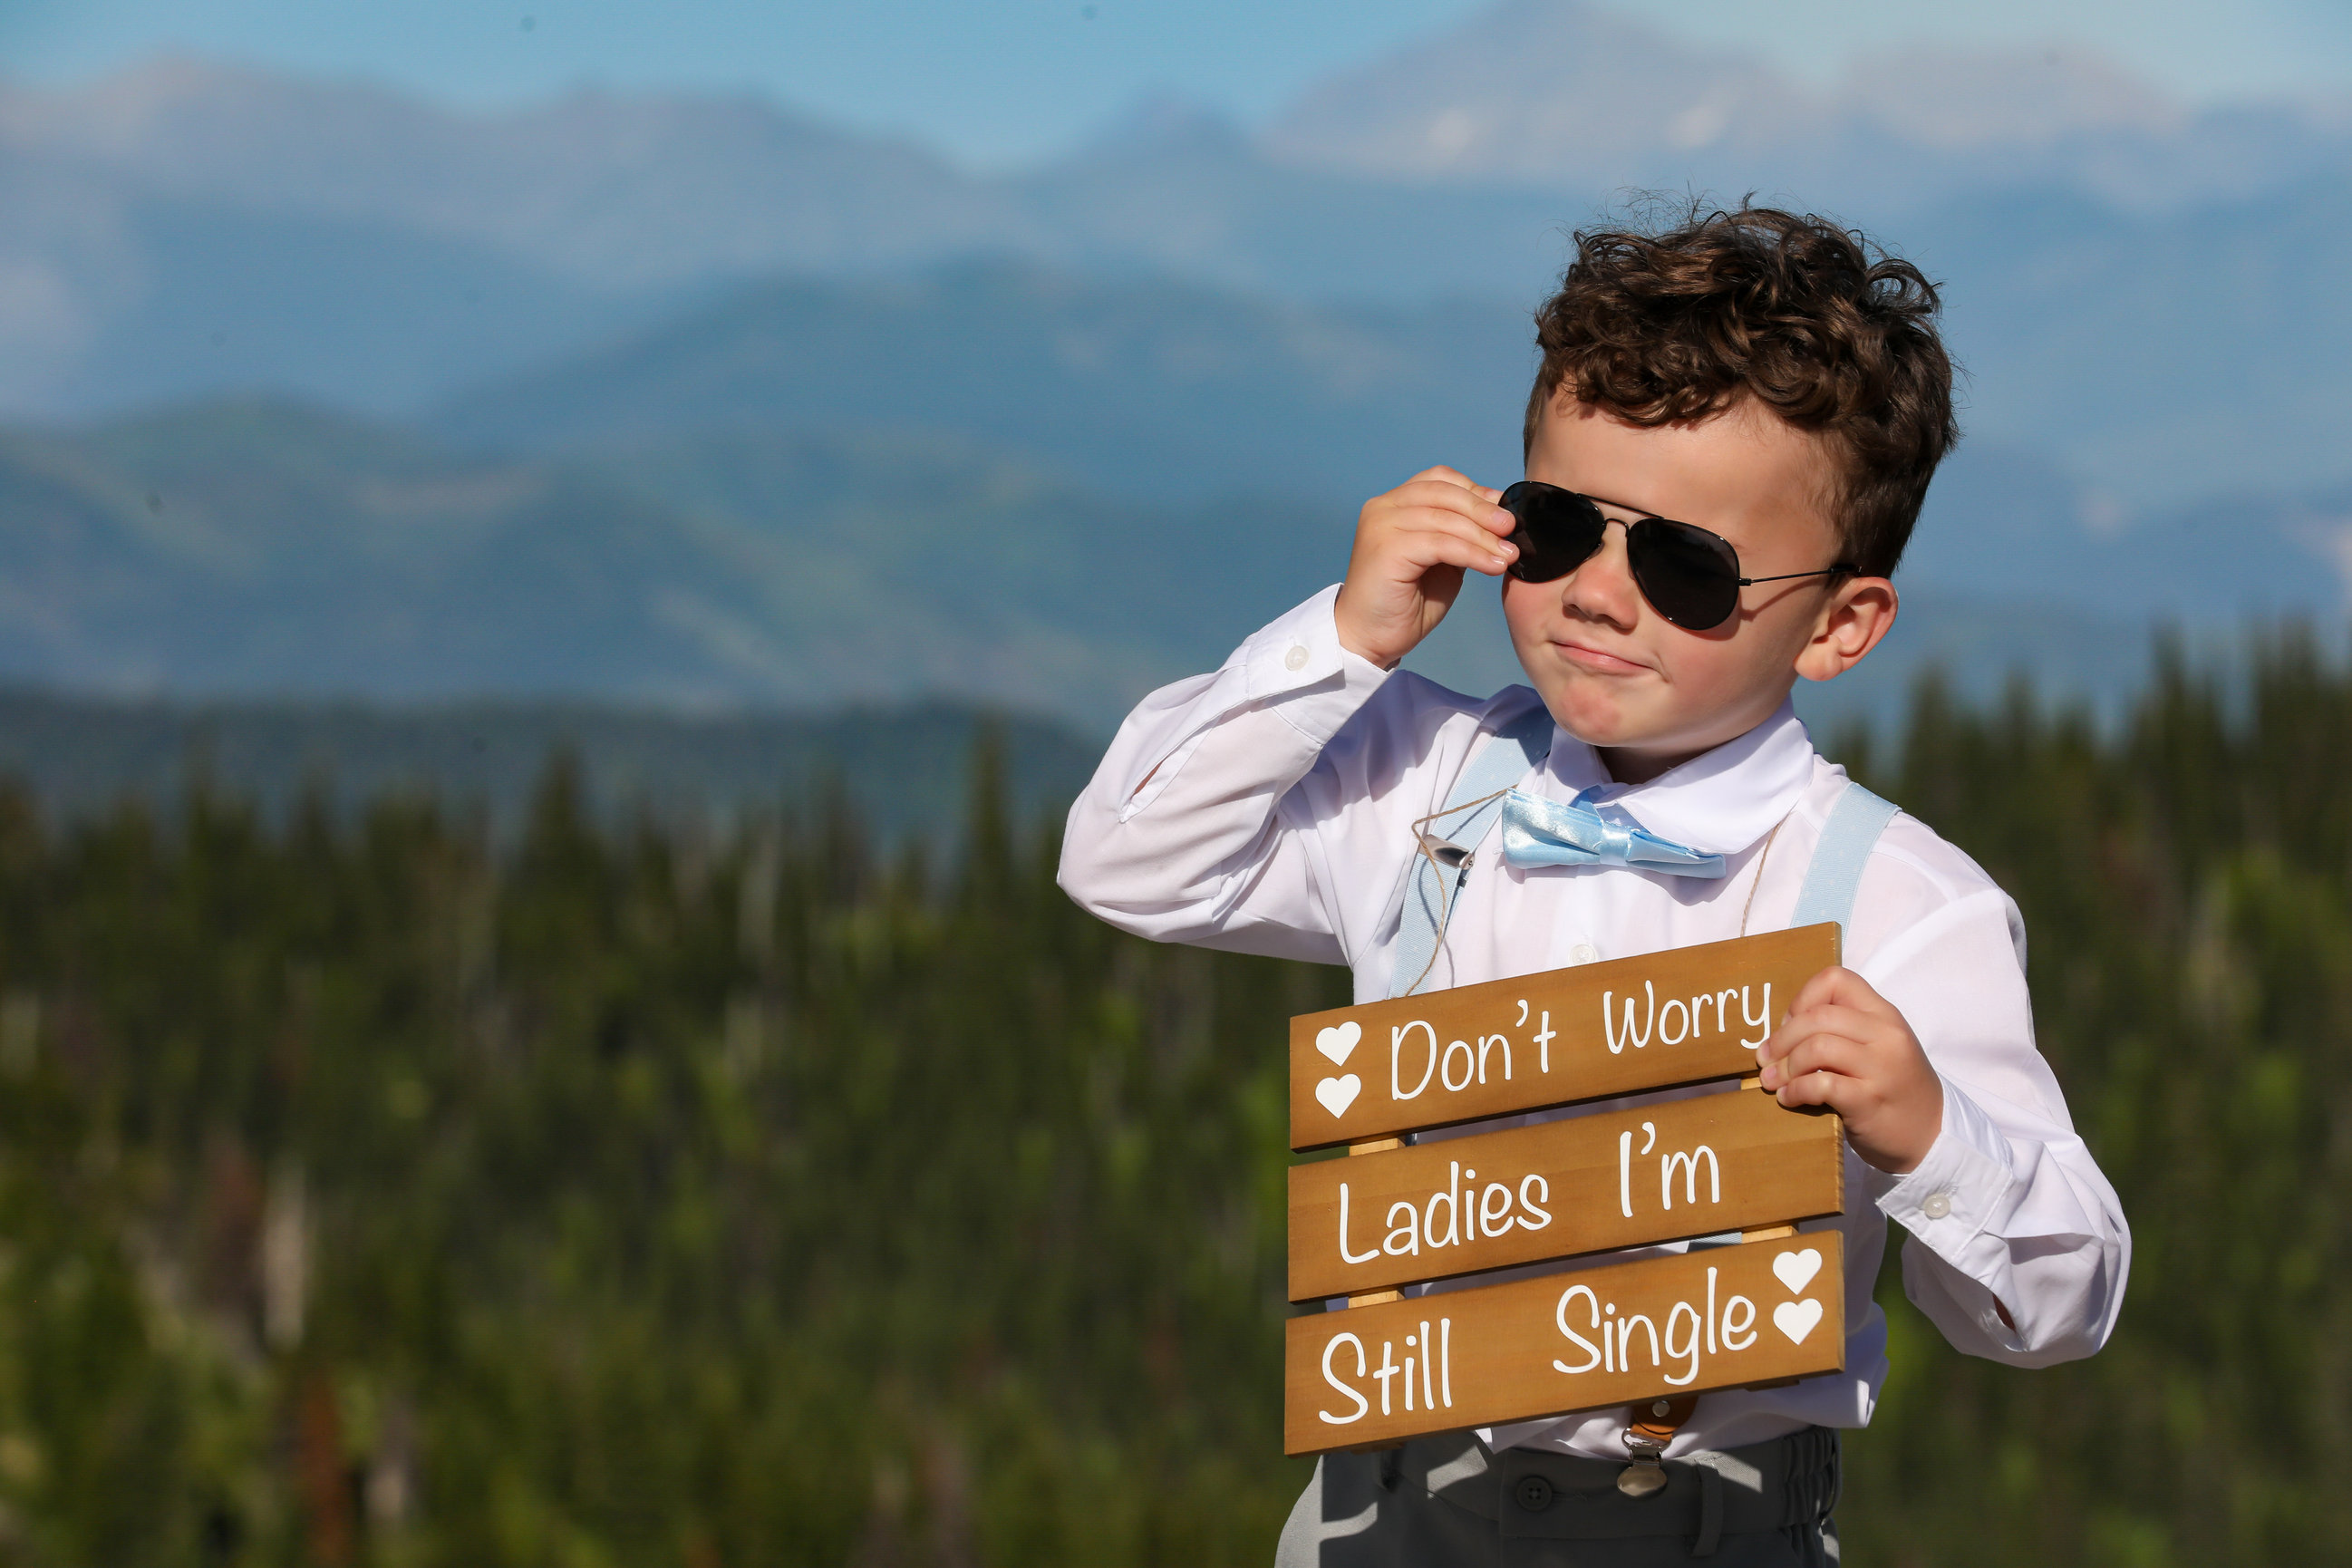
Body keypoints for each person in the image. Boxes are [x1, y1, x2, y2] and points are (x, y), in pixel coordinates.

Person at [1057, 205, 2128, 1566]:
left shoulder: (1901, 901)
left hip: (1712, 1522)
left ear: (1841, 626)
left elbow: (2057, 1303)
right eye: (1557, 526)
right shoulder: (1426, 778)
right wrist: (1340, 640)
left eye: (1689, 566)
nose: (1600, 595)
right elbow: (1125, 857)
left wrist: (1929, 1131)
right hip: (1391, 1506)